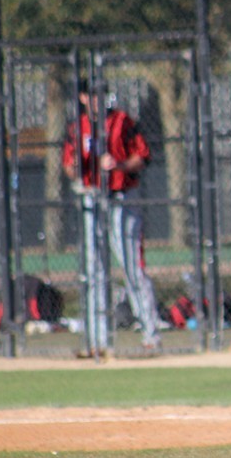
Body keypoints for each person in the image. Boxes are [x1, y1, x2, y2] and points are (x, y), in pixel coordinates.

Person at [62, 80, 162, 357]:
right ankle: (98, 342)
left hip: (121, 196)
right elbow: (68, 163)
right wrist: (78, 171)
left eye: (100, 94)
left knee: (132, 267)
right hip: (92, 198)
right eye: (91, 95)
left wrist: (118, 165)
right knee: (95, 271)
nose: (97, 99)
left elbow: (142, 155)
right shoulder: (77, 126)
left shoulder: (121, 120)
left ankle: (151, 336)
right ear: (83, 97)